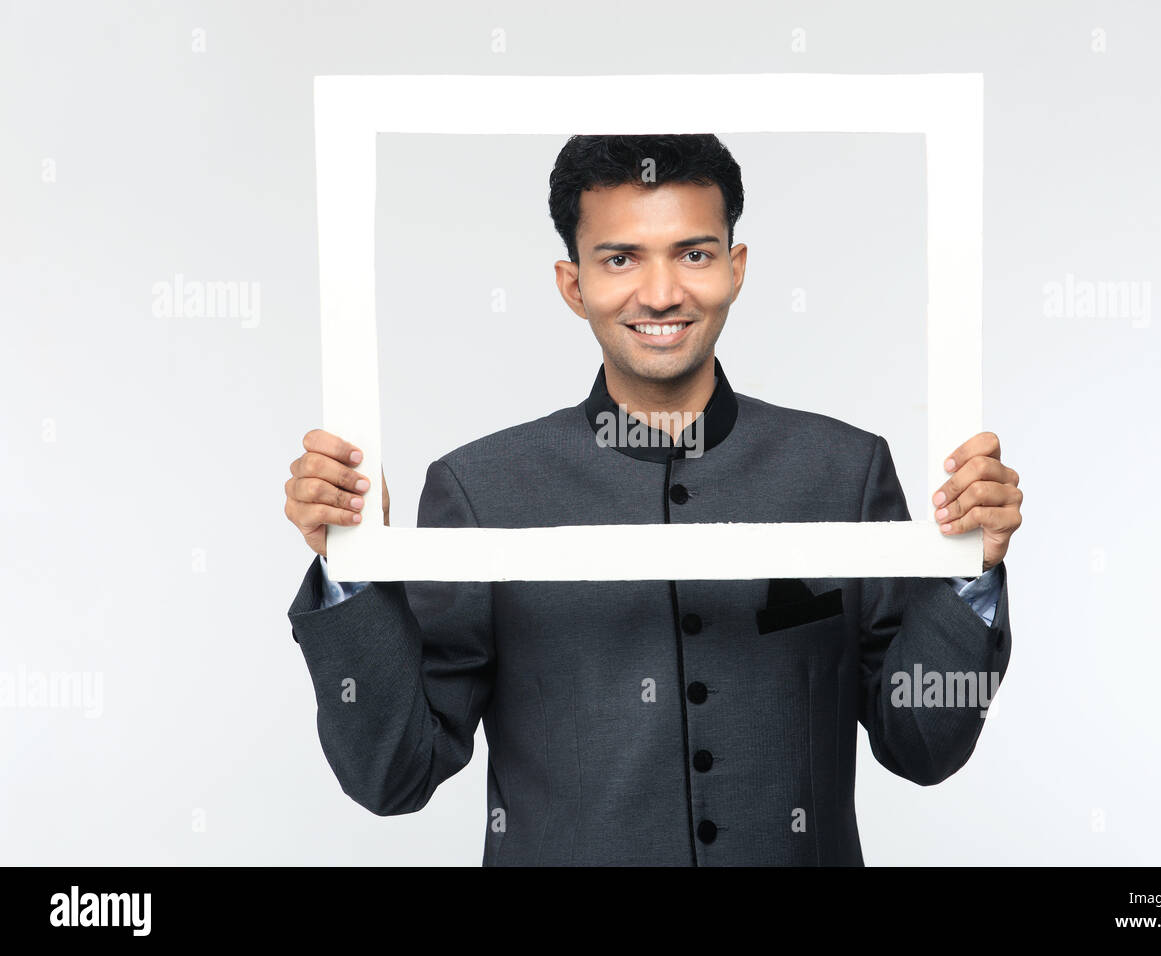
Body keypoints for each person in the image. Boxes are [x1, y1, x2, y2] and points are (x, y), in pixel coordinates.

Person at [282, 134, 1023, 866]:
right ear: (574, 285)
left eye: (694, 254)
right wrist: (356, 568)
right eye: (621, 258)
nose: (662, 293)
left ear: (735, 269)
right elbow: (393, 773)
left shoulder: (842, 470)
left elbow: (925, 744)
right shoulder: (481, 490)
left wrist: (971, 574)